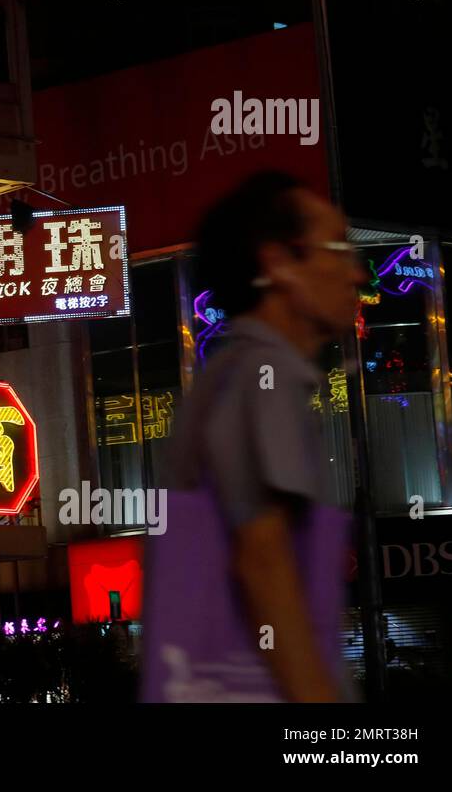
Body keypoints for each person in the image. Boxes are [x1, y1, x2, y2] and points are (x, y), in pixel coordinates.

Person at [143, 171, 367, 702]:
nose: (356, 273)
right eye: (337, 250)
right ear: (279, 264)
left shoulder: (228, 376)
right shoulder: (267, 375)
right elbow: (262, 559)